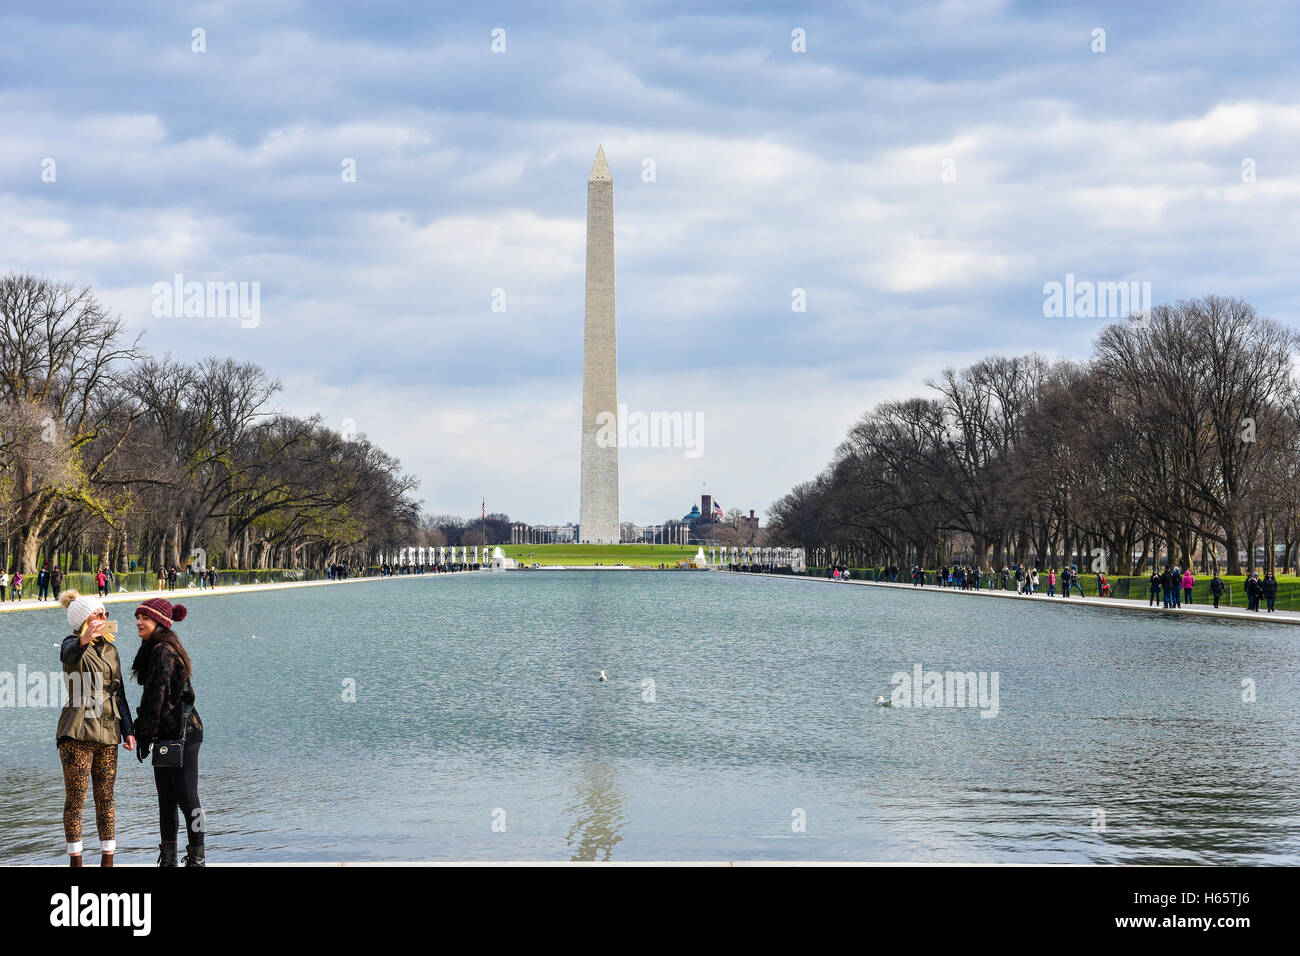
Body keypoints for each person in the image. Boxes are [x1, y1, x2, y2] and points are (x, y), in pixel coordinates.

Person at [56, 590, 136, 866]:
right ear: (83, 621)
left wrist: (129, 729)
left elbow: (120, 693)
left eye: (105, 614)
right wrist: (83, 639)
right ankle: (75, 860)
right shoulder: (72, 644)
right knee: (75, 800)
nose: (103, 619)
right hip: (77, 732)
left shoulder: (111, 651)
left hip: (108, 731)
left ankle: (108, 859)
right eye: (97, 614)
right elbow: (68, 655)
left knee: (106, 797)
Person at [132, 597, 205, 867]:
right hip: (165, 734)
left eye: (145, 619)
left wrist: (143, 733)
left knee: (188, 799)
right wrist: (147, 734)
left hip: (184, 734)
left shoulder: (163, 650)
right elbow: (153, 697)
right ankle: (169, 858)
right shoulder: (153, 648)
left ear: (159, 623)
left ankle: (197, 857)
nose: (139, 622)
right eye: (138, 617)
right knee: (166, 800)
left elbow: (157, 697)